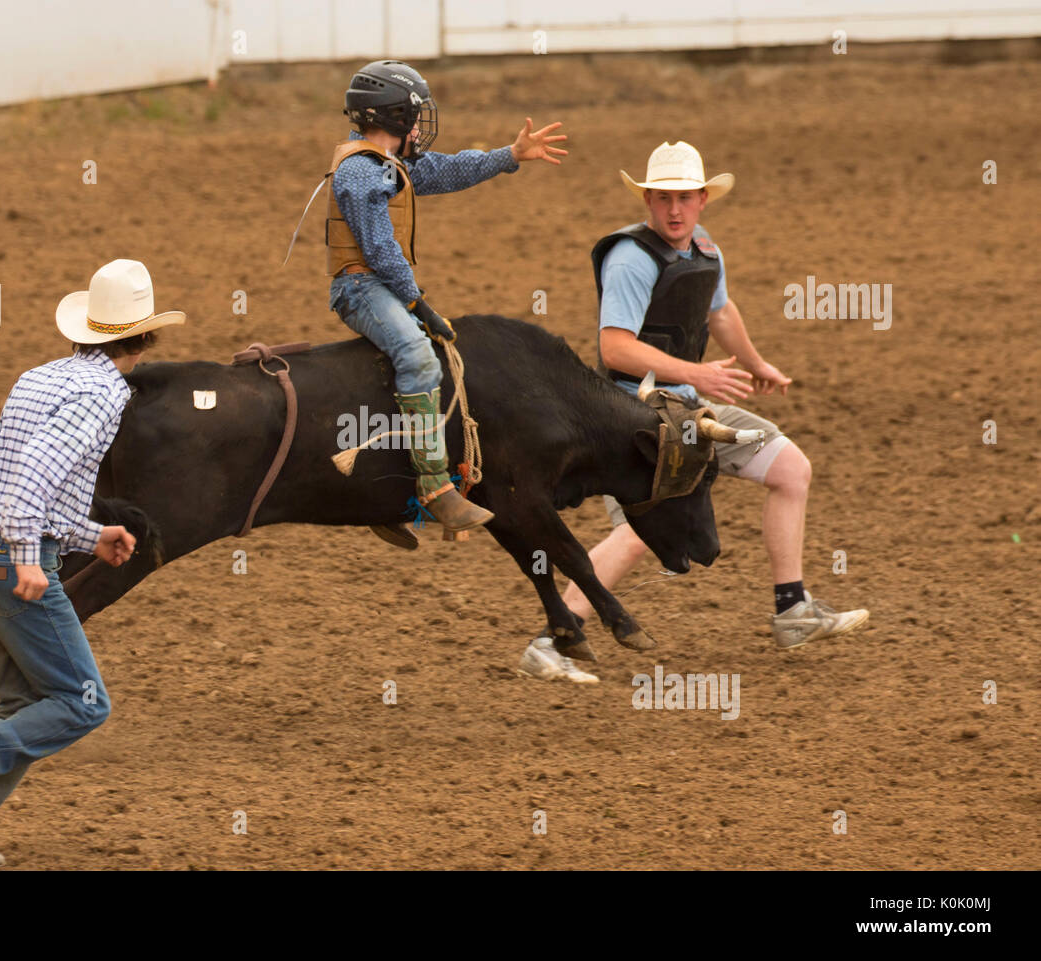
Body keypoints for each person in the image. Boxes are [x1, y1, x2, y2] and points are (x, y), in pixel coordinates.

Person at [521, 141, 868, 683]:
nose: (674, 211)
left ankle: (793, 610)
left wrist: (756, 365)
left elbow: (720, 310)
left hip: (685, 408)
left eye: (684, 198)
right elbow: (615, 349)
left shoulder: (705, 250)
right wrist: (696, 374)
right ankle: (552, 639)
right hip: (631, 416)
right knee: (639, 533)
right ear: (648, 200)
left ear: (704, 199)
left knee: (790, 469)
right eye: (663, 199)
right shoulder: (632, 259)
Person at [0, 259, 184, 868]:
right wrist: (31, 558)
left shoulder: (41, 376)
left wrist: (91, 532)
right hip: (13, 562)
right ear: (144, 335)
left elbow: (26, 477)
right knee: (84, 702)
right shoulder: (105, 393)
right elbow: (34, 474)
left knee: (23, 708)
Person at [319, 59, 568, 548]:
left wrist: (508, 155)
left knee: (424, 367)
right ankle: (434, 489)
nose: (419, 127)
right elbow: (379, 247)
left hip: (381, 286)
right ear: (391, 117)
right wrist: (417, 302)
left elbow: (447, 169)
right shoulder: (360, 174)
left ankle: (388, 493)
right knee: (416, 355)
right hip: (360, 288)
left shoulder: (386, 167)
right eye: (413, 116)